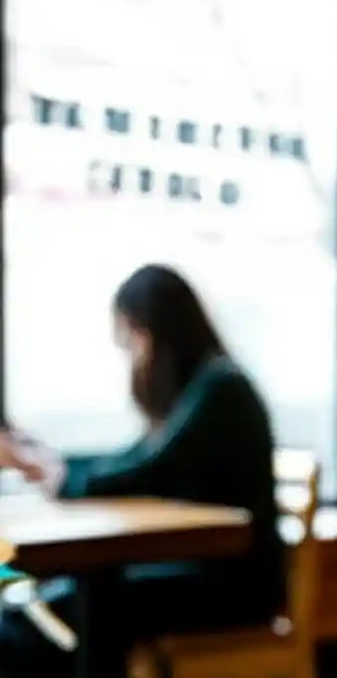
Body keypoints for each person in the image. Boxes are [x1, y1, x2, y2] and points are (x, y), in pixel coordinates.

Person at [0, 264, 283, 678]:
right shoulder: (200, 390)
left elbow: (147, 469)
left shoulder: (221, 389)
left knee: (87, 604)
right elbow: (132, 460)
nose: (133, 358)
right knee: (57, 603)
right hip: (205, 570)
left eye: (131, 340)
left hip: (236, 587)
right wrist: (50, 465)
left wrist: (52, 474)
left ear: (155, 332)